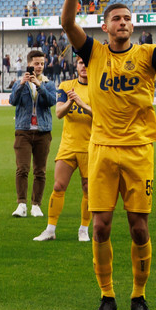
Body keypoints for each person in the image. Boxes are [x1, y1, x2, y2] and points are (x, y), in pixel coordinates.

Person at [59, 0, 156, 310]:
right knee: (101, 225)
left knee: (139, 227)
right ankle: (107, 295)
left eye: (127, 19)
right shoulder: (93, 53)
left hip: (139, 151)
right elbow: (66, 22)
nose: (123, 23)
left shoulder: (147, 55)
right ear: (105, 26)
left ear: (132, 26)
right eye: (116, 19)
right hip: (102, 149)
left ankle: (139, 295)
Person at [33, 56, 92, 242]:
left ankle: (83, 229)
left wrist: (83, 104)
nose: (84, 66)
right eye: (81, 63)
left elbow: (104, 116)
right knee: (58, 186)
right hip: (68, 146)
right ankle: (50, 229)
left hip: (90, 147)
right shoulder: (66, 86)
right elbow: (59, 113)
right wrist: (71, 102)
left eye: (87, 63)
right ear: (76, 65)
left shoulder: (99, 88)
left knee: (88, 189)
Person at [9, 50, 56, 218]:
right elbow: (12, 101)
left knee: (40, 171)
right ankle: (21, 204)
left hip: (43, 131)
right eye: (36, 63)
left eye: (42, 63)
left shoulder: (48, 83)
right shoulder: (19, 82)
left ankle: (36, 205)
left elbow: (51, 101)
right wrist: (22, 83)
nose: (39, 67)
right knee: (22, 168)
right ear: (29, 64)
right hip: (23, 130)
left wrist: (39, 85)